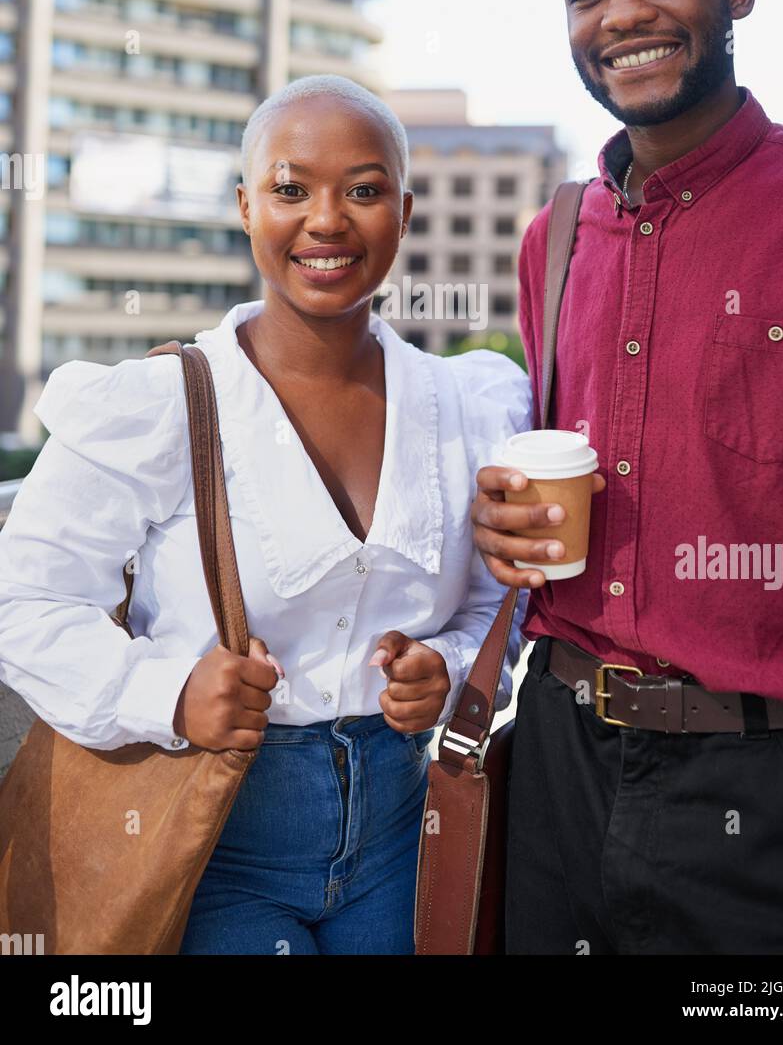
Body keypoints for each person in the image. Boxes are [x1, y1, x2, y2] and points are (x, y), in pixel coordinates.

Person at [0, 74, 532, 955]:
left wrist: (444, 664)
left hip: (405, 834)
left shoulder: (467, 405)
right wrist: (166, 693)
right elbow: (23, 599)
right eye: (291, 190)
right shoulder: (164, 402)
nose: (326, 220)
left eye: (362, 191)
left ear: (402, 211)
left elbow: (495, 608)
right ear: (246, 207)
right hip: (209, 836)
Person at [471, 0, 783, 956]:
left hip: (780, 797)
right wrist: (503, 530)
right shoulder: (551, 238)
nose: (624, 14)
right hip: (557, 765)